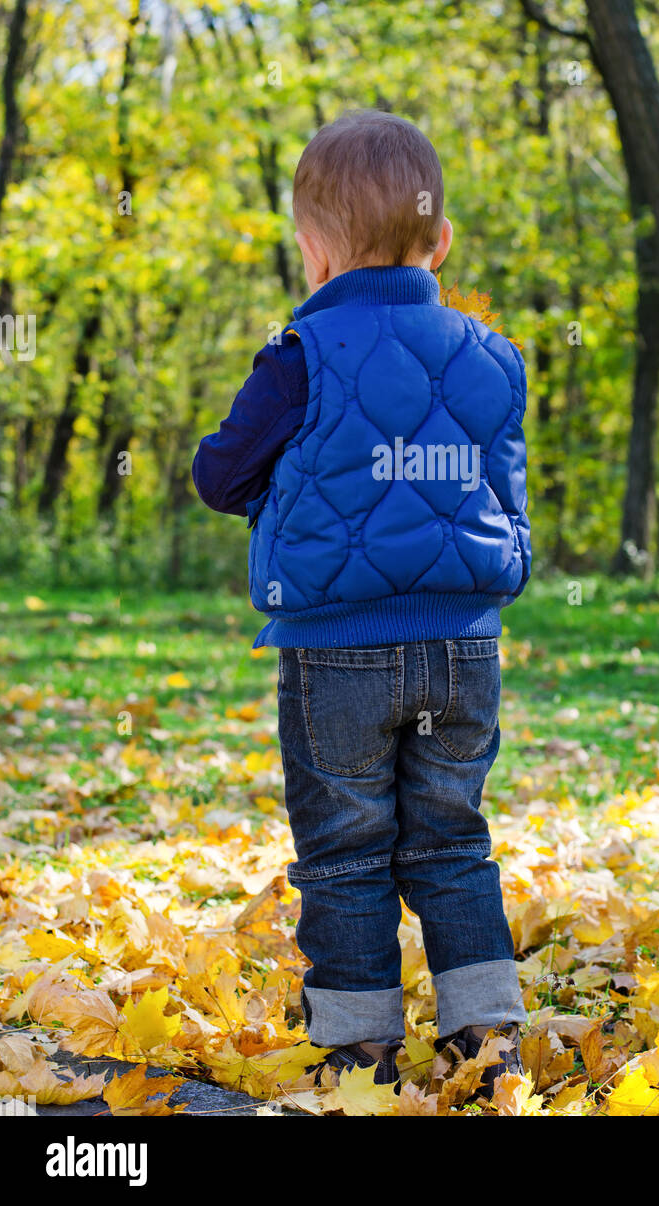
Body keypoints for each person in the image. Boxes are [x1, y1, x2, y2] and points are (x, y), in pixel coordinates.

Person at [193, 109, 531, 1092]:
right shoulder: (493, 356)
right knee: (453, 841)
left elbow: (222, 473)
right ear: (442, 240)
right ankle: (489, 1039)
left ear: (313, 250)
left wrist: (279, 485)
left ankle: (359, 1051)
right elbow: (493, 488)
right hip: (464, 650)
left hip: (336, 651)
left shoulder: (300, 354)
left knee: (343, 853)